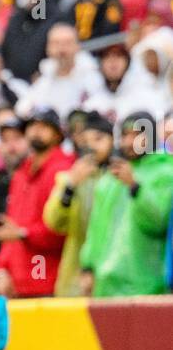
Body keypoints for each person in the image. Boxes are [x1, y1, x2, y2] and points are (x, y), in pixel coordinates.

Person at [79, 113, 173, 297]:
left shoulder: (166, 173)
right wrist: (87, 266)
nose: (130, 142)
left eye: (137, 135)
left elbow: (159, 223)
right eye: (125, 135)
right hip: (105, 285)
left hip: (146, 285)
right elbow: (96, 227)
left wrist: (135, 187)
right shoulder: (109, 179)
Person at [0, 110, 71, 298]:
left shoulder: (63, 170)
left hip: (47, 276)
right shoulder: (21, 173)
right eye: (32, 126)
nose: (36, 131)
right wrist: (2, 269)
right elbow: (10, 227)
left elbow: (60, 229)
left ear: (58, 134)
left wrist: (23, 233)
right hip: (18, 281)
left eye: (44, 127)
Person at [43, 112, 114, 296]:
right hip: (74, 278)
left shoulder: (119, 179)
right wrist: (71, 187)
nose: (91, 146)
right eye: (86, 140)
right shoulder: (69, 178)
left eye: (99, 139)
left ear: (112, 141)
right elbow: (54, 222)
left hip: (111, 277)